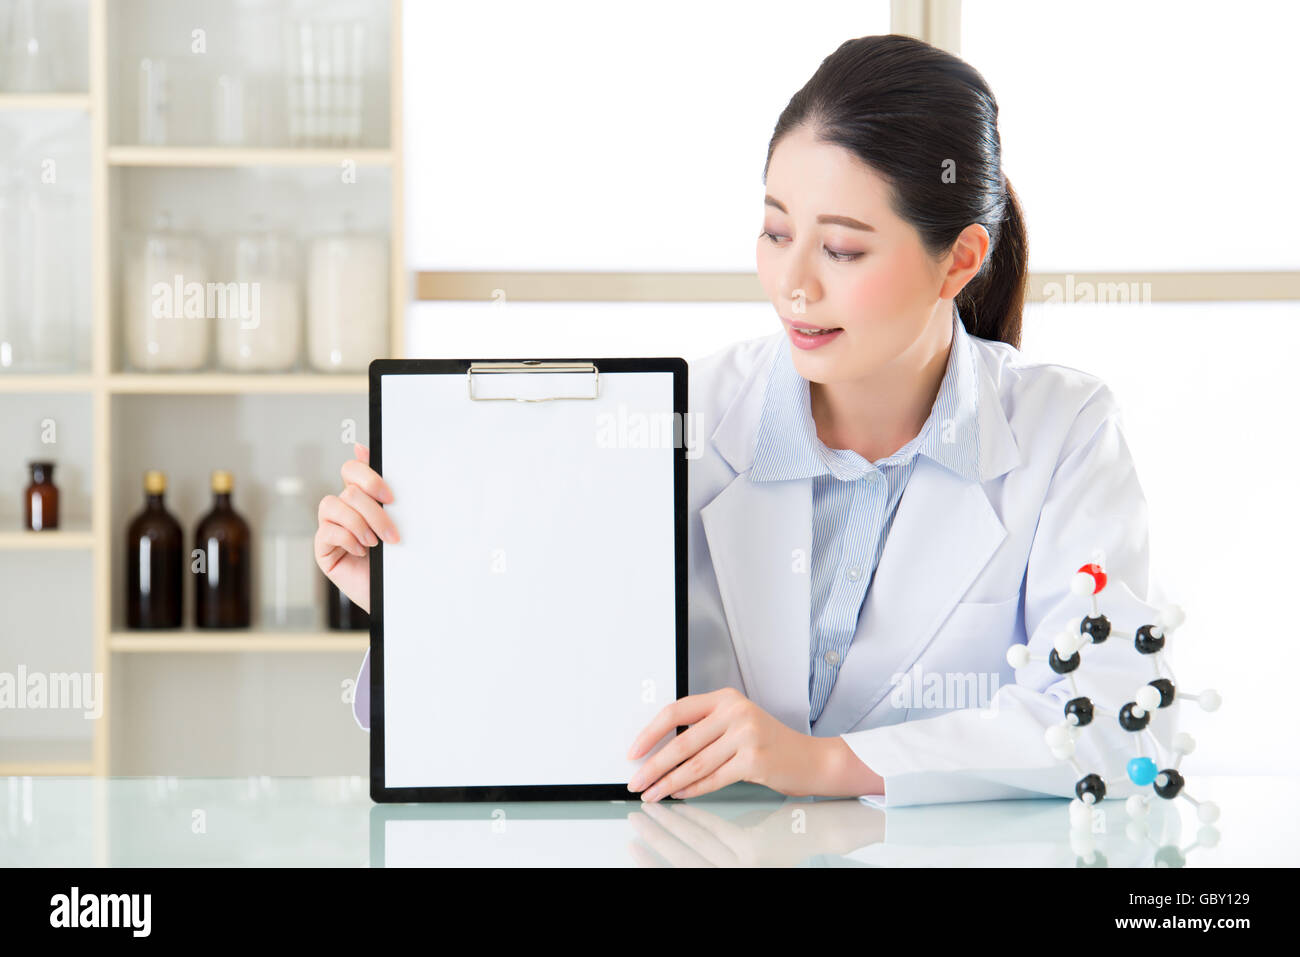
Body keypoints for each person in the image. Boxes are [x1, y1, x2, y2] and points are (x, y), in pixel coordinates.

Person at [315, 35, 1173, 807]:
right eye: (774, 232)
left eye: (841, 249)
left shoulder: (1065, 429)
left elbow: (1112, 724)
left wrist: (823, 761)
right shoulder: (679, 423)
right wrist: (414, 598)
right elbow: (547, 697)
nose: (792, 284)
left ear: (960, 259)